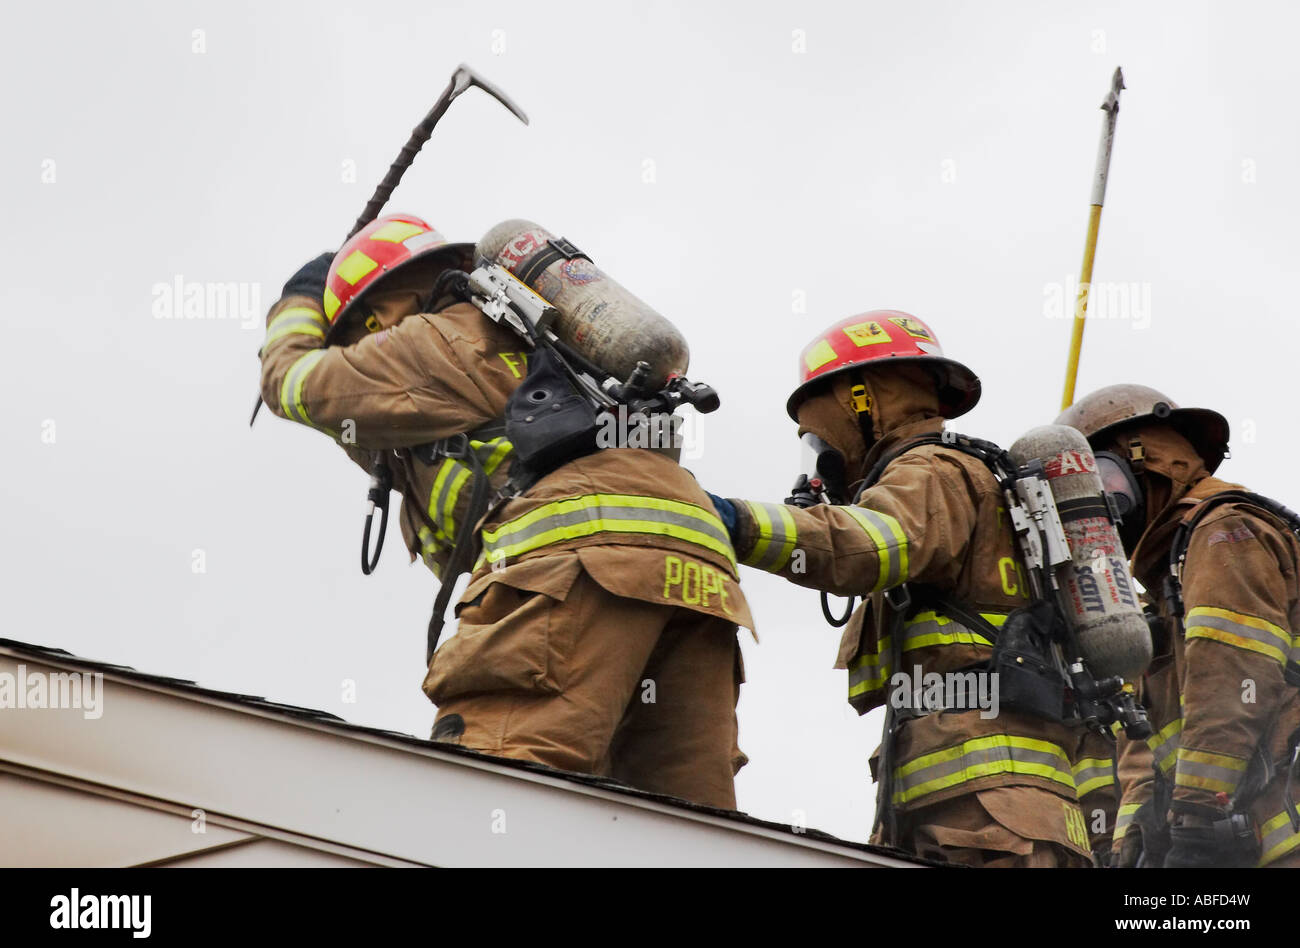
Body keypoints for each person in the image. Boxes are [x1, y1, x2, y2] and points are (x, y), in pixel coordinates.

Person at [259, 213, 754, 809]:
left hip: (573, 566)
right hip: (693, 574)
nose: (359, 353)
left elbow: (292, 384)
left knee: (502, 791)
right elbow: (379, 438)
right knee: (686, 828)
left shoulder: (426, 341)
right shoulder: (532, 340)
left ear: (376, 314)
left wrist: (300, 299)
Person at [710, 310, 1094, 866]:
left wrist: (733, 521)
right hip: (972, 805)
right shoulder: (964, 475)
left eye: (816, 437)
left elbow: (870, 545)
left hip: (989, 815)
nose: (819, 461)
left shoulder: (933, 469)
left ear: (859, 400)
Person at [1058, 384, 1300, 867]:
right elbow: (1148, 745)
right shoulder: (1167, 585)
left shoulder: (1223, 533)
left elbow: (1233, 677)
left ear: (1145, 462)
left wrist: (1196, 815)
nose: (1097, 509)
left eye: (1099, 483)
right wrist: (1131, 847)